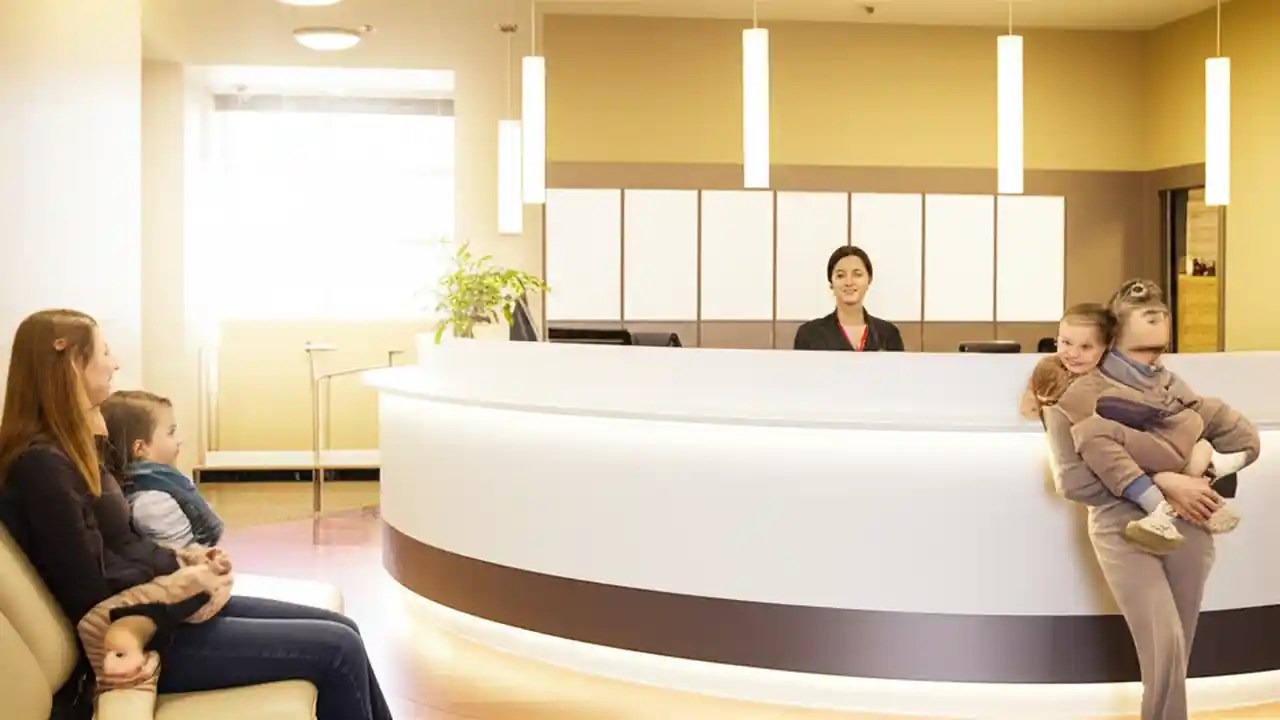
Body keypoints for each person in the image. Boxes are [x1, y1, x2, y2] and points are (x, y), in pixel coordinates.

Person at [0, 309, 393, 720]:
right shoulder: (42, 467)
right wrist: (181, 573)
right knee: (339, 649)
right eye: (104, 352)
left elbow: (121, 547)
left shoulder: (67, 452)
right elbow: (89, 585)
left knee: (344, 629)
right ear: (70, 364)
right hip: (137, 632)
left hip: (151, 613)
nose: (115, 363)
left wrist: (185, 561)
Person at [1039, 282, 1260, 720]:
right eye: (1142, 309)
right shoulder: (1074, 393)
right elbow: (1075, 483)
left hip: (1190, 523)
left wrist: (1205, 465)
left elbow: (1241, 439)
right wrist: (1164, 480)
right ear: (1114, 329)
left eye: (1159, 309)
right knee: (1165, 642)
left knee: (1177, 646)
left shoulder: (1173, 386)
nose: (1157, 313)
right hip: (1121, 527)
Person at [1027, 353, 1242, 553]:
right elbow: (1075, 484)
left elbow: (1192, 435)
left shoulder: (1140, 380)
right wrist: (1163, 481)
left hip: (1184, 513)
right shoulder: (1069, 402)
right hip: (1128, 522)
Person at [101, 389, 224, 548]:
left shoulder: (153, 488)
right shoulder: (152, 502)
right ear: (140, 448)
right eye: (170, 433)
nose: (179, 440)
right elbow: (185, 553)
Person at [793, 245, 905, 352]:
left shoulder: (888, 334)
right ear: (831, 283)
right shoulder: (809, 334)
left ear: (869, 280)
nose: (849, 282)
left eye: (857, 274)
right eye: (840, 275)